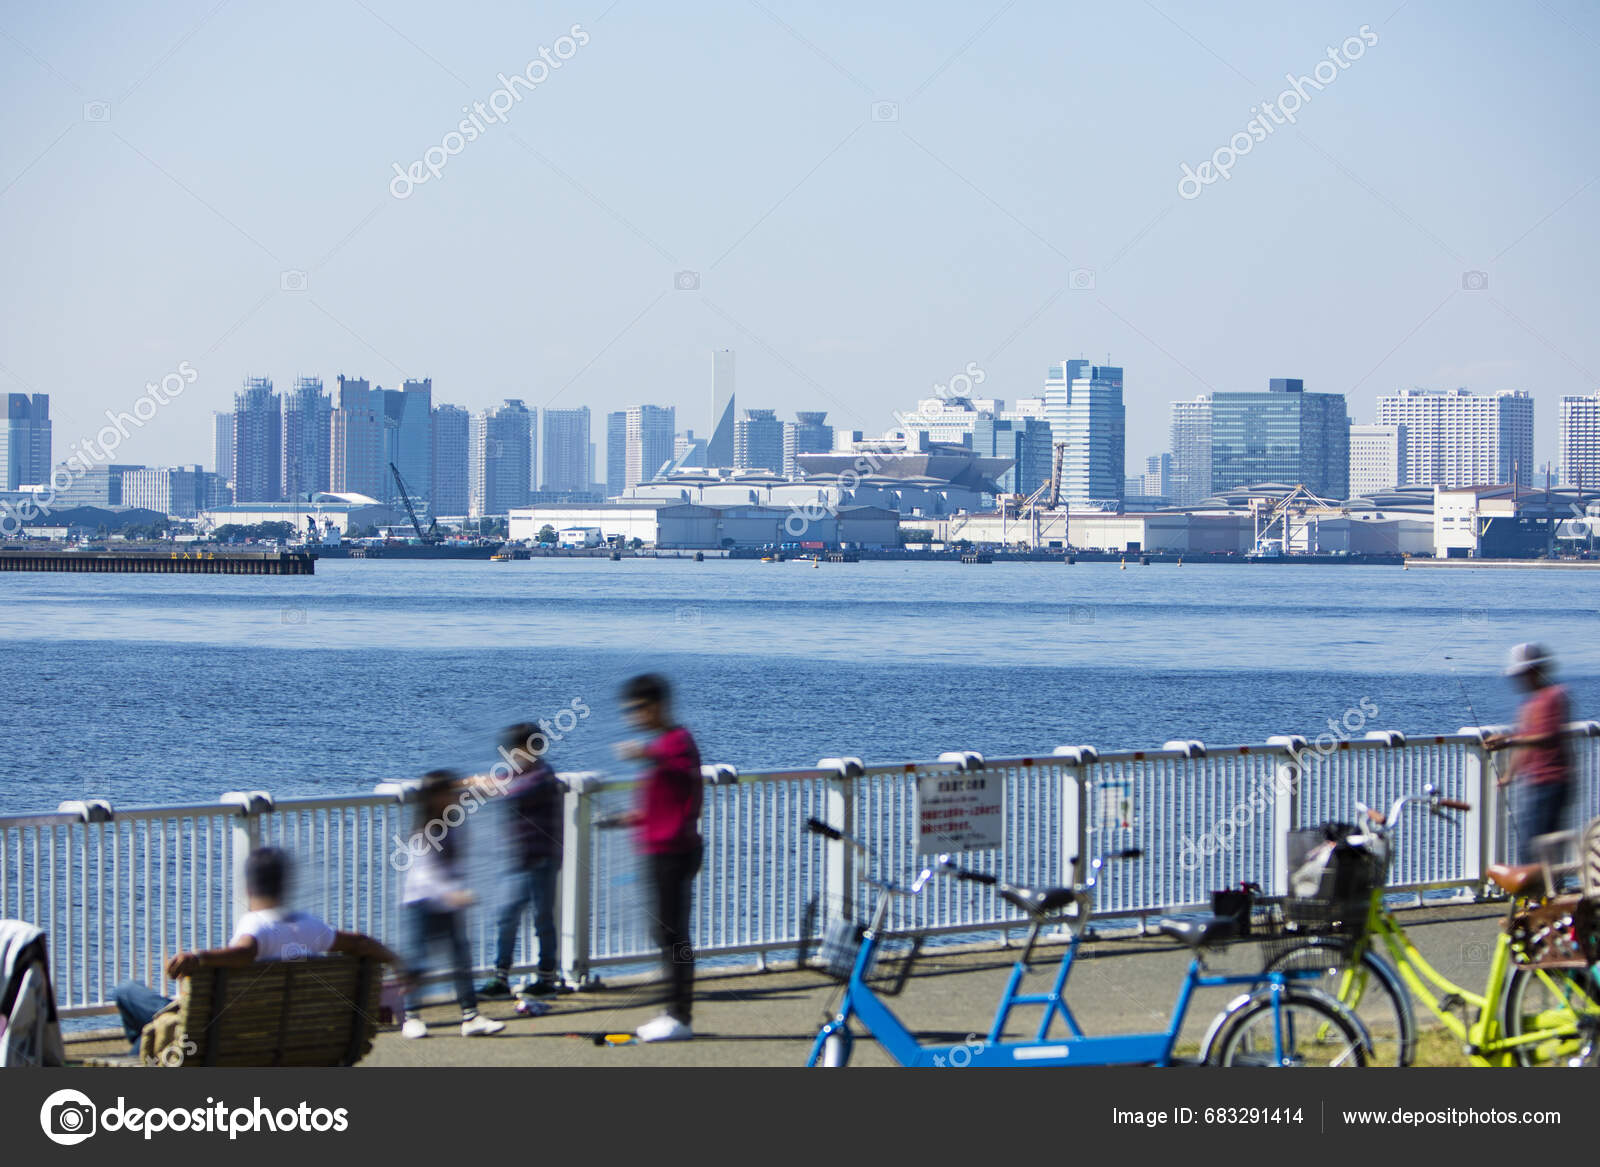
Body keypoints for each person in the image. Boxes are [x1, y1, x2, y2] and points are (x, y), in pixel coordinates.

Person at [111, 846, 400, 1053]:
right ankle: (141, 1054)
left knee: (126, 991)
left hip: (225, 1035)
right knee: (151, 1023)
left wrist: (197, 958)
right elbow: (361, 943)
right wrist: (398, 961)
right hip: (293, 1038)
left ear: (249, 888)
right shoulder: (311, 926)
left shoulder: (256, 924)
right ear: (285, 886)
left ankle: (140, 1059)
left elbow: (245, 953)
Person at [611, 673, 704, 1043]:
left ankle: (679, 1016)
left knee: (673, 934)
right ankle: (673, 1011)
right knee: (665, 932)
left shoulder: (677, 742)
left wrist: (646, 753)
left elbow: (681, 772)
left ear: (658, 706)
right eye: (629, 710)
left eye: (637, 708)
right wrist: (631, 818)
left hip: (674, 852)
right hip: (660, 849)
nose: (633, 716)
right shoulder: (666, 746)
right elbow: (669, 797)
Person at [400, 769, 505, 1038]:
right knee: (419, 960)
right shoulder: (422, 831)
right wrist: (451, 893)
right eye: (448, 794)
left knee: (461, 958)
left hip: (449, 903)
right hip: (422, 903)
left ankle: (471, 1017)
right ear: (434, 798)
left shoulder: (454, 820)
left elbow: (488, 790)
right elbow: (426, 874)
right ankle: (410, 1017)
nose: (454, 798)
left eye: (454, 793)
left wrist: (478, 782)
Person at [477, 723, 568, 999]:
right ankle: (501, 977)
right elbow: (504, 783)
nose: (512, 754)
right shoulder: (518, 772)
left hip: (542, 859)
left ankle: (546, 977)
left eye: (516, 749)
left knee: (542, 918)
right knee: (506, 916)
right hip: (519, 859)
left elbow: (513, 791)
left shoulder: (542, 775)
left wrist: (483, 783)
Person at [1485, 643, 1575, 865]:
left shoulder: (1554, 696)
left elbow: (1548, 736)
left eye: (1522, 675)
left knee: (1537, 844)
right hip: (1537, 782)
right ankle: (1540, 892)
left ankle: (1539, 893)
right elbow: (1527, 740)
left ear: (1534, 672)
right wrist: (1509, 774)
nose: (1518, 680)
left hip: (1553, 781)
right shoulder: (1531, 704)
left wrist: (1508, 740)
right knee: (1532, 842)